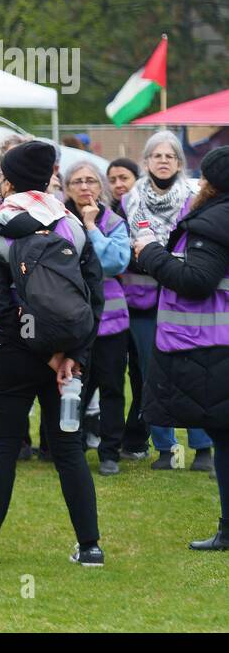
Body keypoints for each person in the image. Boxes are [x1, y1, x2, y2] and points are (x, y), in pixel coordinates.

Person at [0, 140, 105, 567]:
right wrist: (68, 353)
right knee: (69, 451)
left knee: (2, 449)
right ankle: (90, 547)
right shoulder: (72, 225)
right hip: (68, 355)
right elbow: (94, 297)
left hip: (13, 352)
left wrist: (41, 351)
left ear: (8, 180)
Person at [132, 145, 229, 551]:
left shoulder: (214, 222)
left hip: (213, 347)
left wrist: (151, 252)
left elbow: (196, 280)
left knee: (225, 439)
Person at [122, 131, 214, 472]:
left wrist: (159, 257)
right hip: (145, 301)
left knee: (193, 371)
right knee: (151, 374)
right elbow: (130, 247)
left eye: (169, 156)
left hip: (186, 297)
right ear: (146, 162)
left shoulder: (196, 197)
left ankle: (203, 447)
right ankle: (163, 447)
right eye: (156, 155)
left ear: (179, 162)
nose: (163, 161)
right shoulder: (131, 200)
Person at [63, 160, 131, 476]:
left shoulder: (114, 221)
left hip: (111, 321)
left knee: (112, 388)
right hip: (71, 320)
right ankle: (69, 447)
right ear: (67, 188)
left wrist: (91, 227)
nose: (84, 186)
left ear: (100, 186)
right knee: (73, 385)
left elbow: (114, 263)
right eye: (77, 181)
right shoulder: (56, 219)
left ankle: (109, 452)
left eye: (91, 180)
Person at [106, 157, 152, 458]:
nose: (118, 184)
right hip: (115, 307)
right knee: (113, 374)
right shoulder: (107, 214)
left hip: (148, 305)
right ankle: (116, 434)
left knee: (142, 374)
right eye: (112, 179)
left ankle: (137, 437)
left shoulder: (146, 211)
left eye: (124, 177)